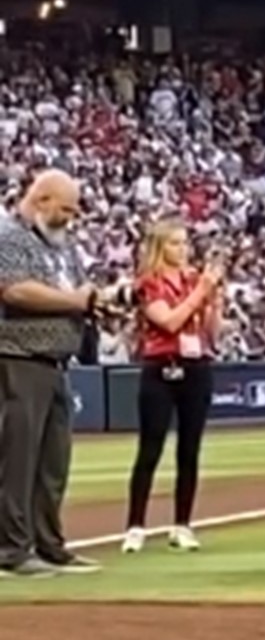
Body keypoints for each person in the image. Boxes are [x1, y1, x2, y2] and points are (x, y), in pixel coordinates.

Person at [0, 170, 101, 576]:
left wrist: (94, 301)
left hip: (57, 361)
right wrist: (74, 301)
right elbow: (13, 289)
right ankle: (11, 550)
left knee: (52, 463)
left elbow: (78, 290)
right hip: (19, 356)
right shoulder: (10, 235)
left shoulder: (62, 245)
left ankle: (49, 544)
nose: (70, 218)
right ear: (40, 199)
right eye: (65, 209)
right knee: (18, 459)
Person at [123, 219, 223, 554]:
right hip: (161, 365)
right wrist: (200, 292)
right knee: (150, 448)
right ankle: (135, 525)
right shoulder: (149, 283)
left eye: (185, 243)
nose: (183, 250)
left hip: (196, 366)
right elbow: (168, 321)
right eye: (175, 243)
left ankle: (182, 524)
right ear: (160, 247)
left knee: (189, 450)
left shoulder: (195, 279)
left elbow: (211, 333)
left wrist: (215, 298)